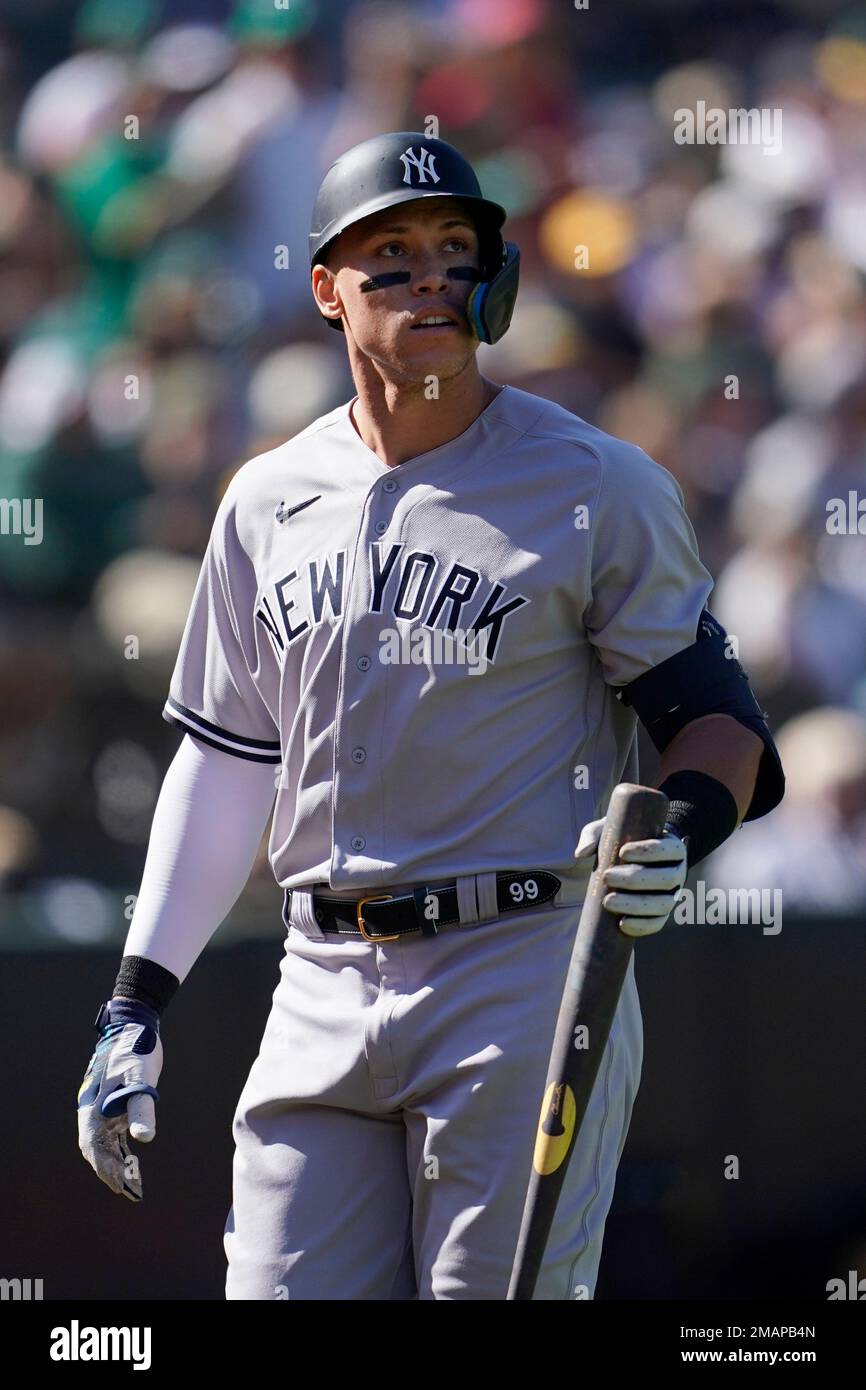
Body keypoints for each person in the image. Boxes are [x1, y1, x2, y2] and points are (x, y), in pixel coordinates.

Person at [77, 132, 784, 1300]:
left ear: (494, 279)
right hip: (318, 970)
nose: (430, 282)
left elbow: (717, 721)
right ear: (325, 290)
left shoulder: (593, 483)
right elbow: (224, 760)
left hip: (522, 965)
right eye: (391, 257)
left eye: (456, 252)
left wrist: (679, 829)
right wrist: (134, 1001)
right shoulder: (265, 499)